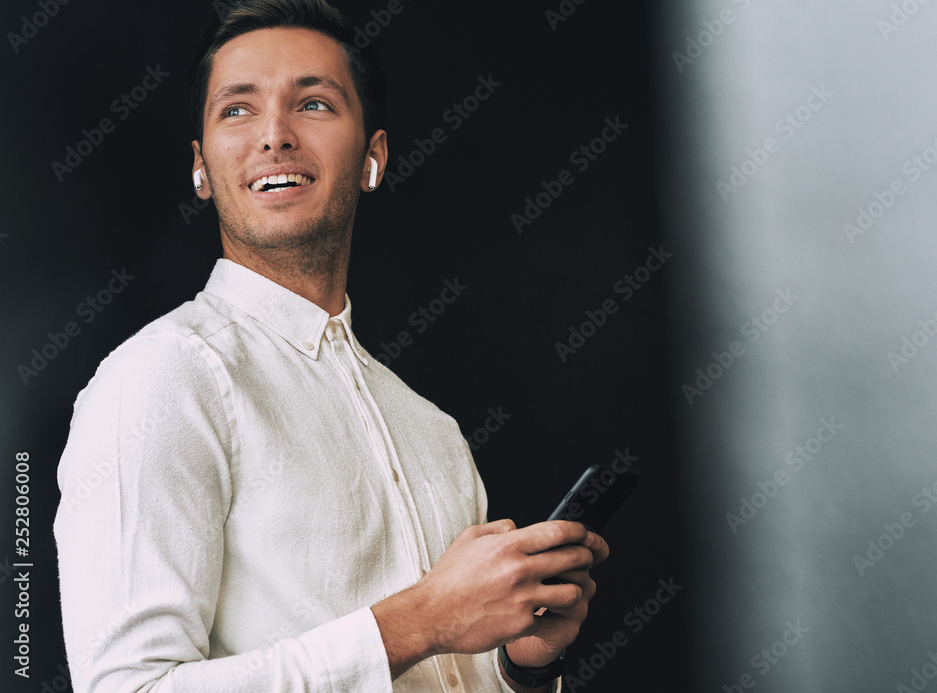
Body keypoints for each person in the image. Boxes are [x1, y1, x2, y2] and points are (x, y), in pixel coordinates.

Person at [53, 1, 608, 691]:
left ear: (373, 156)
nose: (274, 136)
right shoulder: (159, 378)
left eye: (312, 103)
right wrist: (423, 617)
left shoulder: (434, 433)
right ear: (201, 168)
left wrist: (521, 665)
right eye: (237, 110)